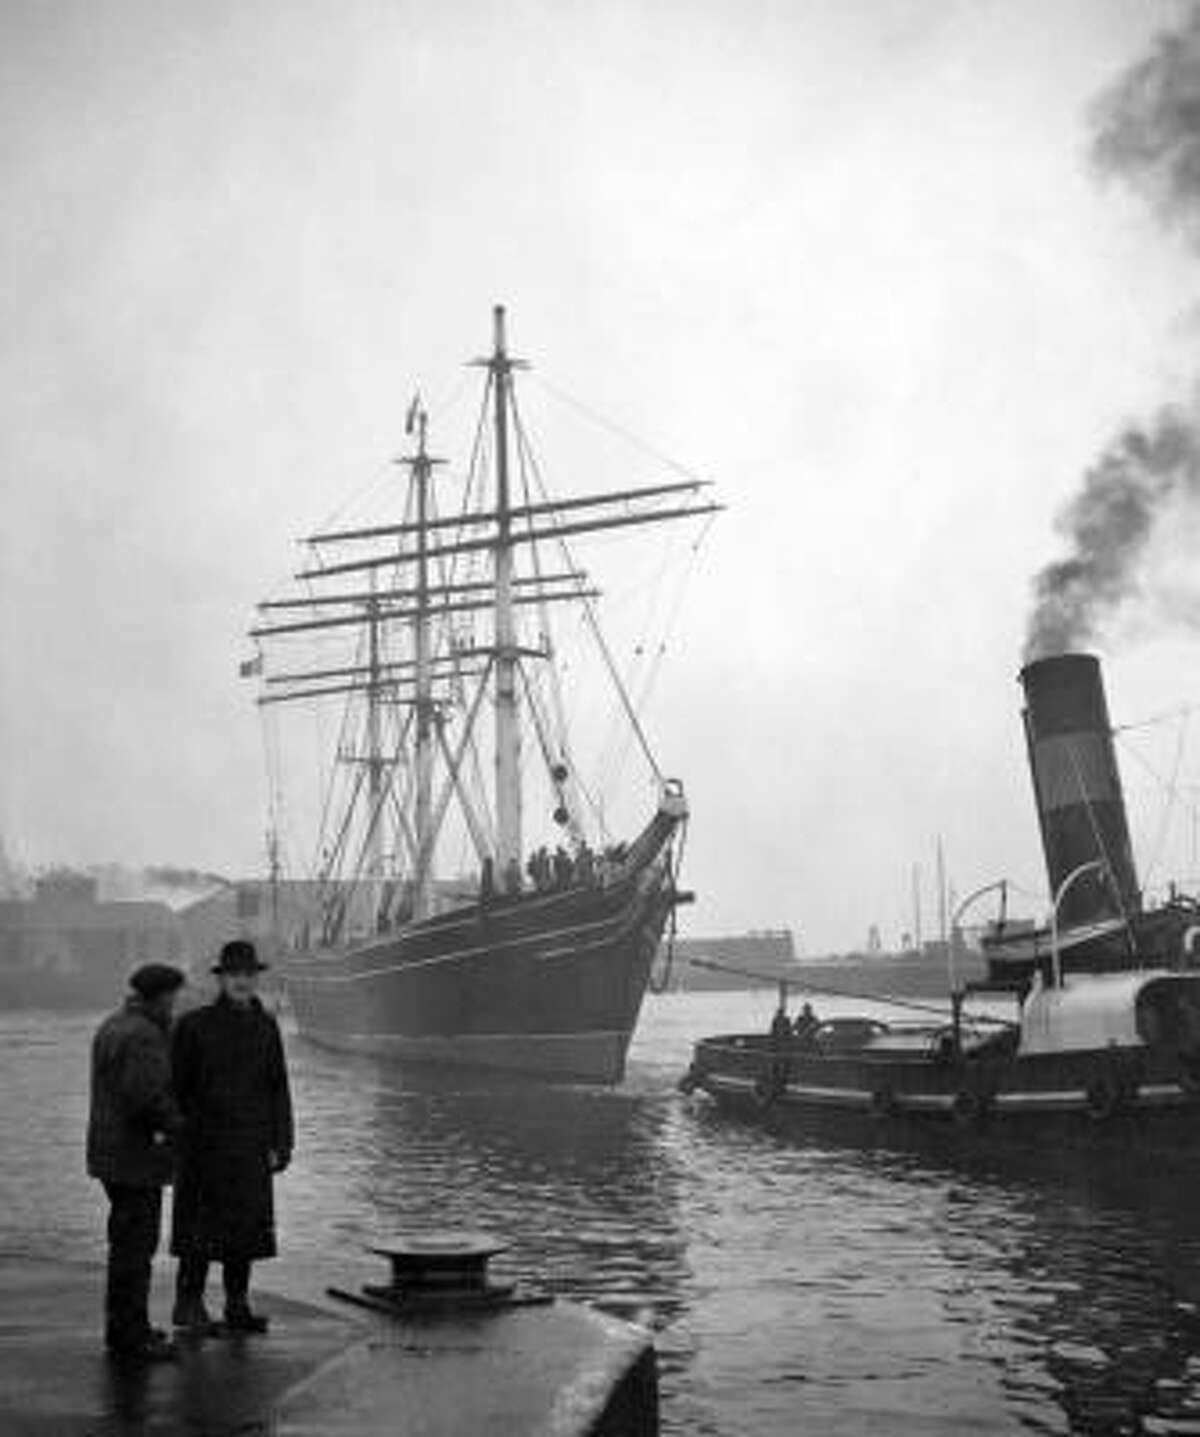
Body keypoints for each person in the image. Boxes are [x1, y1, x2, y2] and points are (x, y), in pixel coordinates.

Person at [170, 940, 293, 1336]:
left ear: (256, 979)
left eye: (248, 975)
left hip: (251, 1145)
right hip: (204, 1146)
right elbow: (176, 1089)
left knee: (245, 1231)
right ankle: (188, 1304)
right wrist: (180, 1138)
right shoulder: (194, 1026)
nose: (242, 981)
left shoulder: (265, 1027)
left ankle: (236, 1305)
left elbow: (278, 1089)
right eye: (235, 975)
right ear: (221, 980)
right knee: (199, 1231)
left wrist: (282, 1142)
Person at [86, 962, 187, 1364]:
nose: (176, 1005)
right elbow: (146, 1100)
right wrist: (182, 1128)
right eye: (174, 997)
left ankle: (127, 1328)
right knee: (135, 1250)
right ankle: (131, 1337)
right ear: (161, 997)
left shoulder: (113, 1024)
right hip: (135, 1158)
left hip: (110, 1155)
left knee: (124, 1246)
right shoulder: (144, 1036)